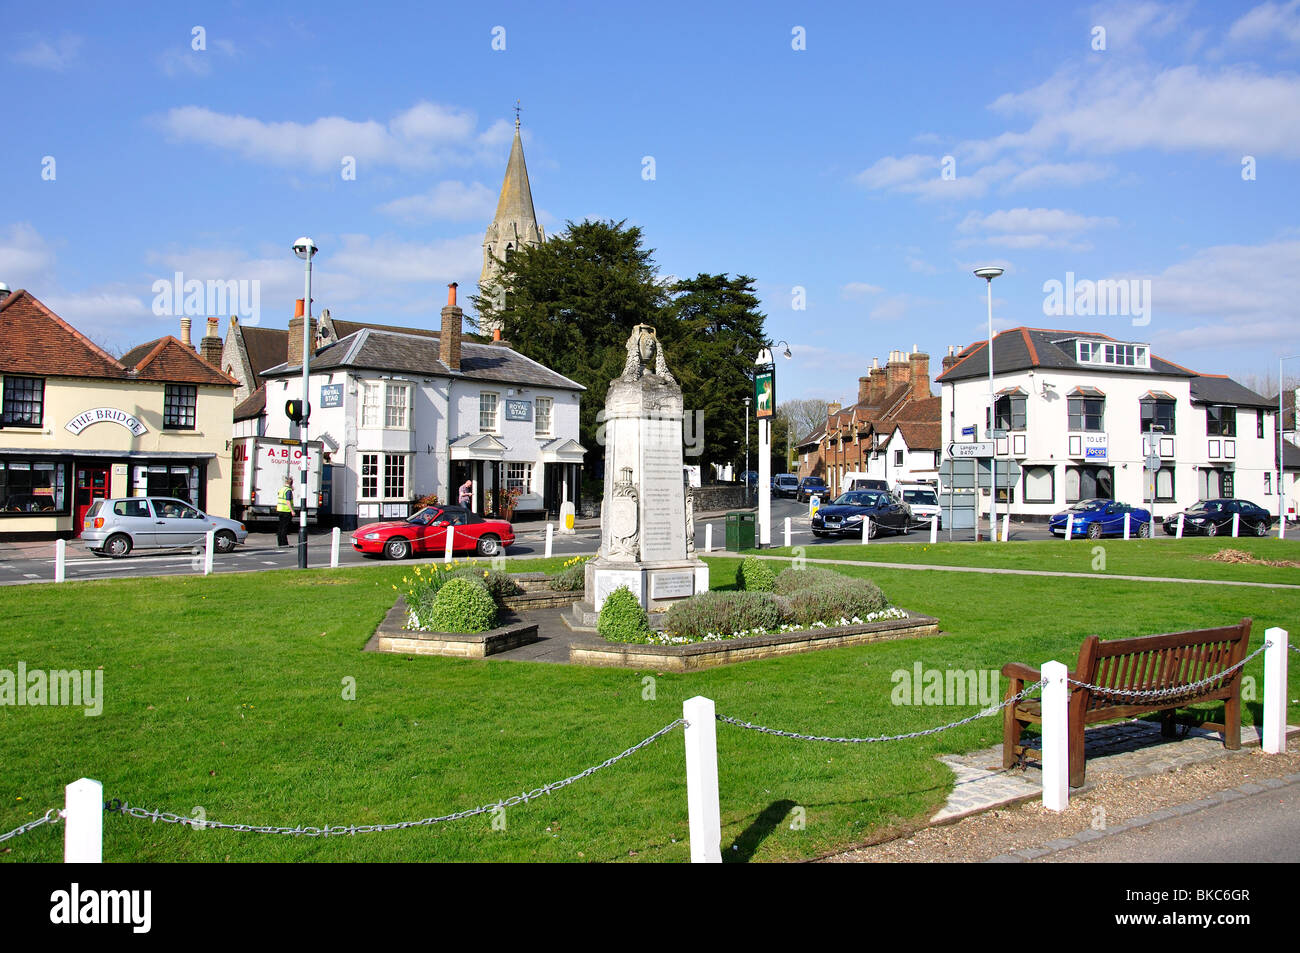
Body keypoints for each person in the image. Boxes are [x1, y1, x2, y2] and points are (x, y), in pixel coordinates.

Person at [276, 477, 294, 546]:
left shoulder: (282, 489)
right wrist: (292, 511)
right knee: (284, 528)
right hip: (286, 510)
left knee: (280, 527)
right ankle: (284, 543)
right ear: (291, 483)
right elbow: (288, 501)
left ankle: (280, 543)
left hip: (280, 509)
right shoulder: (288, 490)